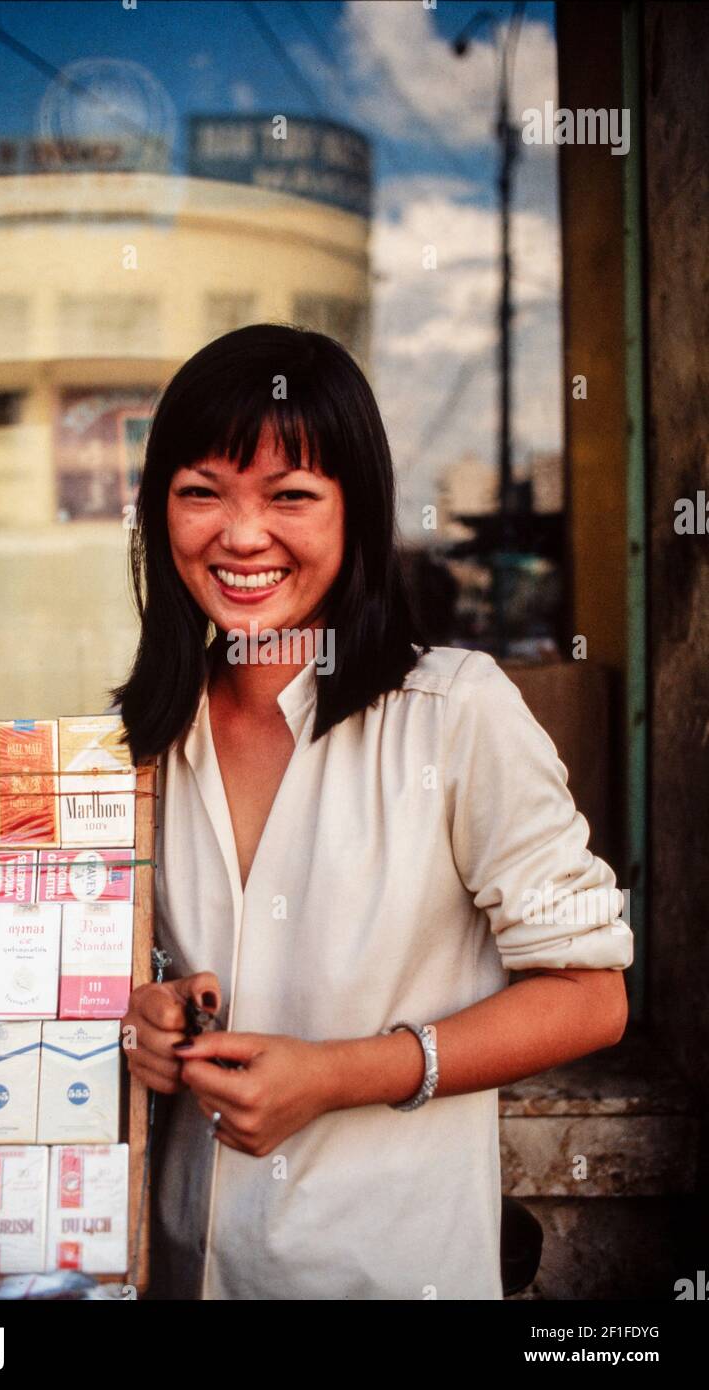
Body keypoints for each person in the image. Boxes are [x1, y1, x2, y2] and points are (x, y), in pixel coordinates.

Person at [112, 323, 632, 1301]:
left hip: (386, 1274)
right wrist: (147, 1020)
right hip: (175, 1269)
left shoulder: (453, 712)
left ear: (356, 513)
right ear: (157, 513)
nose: (240, 534)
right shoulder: (135, 742)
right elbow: (135, 983)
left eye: (290, 496)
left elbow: (591, 995)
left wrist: (338, 1072)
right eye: (201, 492)